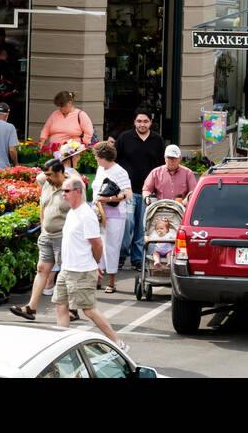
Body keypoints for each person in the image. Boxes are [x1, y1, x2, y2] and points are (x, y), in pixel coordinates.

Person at [53, 174, 126, 350]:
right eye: (62, 190)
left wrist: (95, 264)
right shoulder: (72, 212)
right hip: (67, 269)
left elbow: (97, 244)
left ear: (78, 192)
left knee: (88, 310)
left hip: (81, 271)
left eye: (66, 191)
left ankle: (117, 342)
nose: (63, 194)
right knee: (60, 305)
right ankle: (61, 347)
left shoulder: (86, 215)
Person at [11, 159, 71, 321]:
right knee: (41, 269)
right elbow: (43, 207)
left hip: (63, 236)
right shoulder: (46, 185)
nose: (47, 178)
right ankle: (31, 308)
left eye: (50, 174)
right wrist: (43, 227)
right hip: (47, 235)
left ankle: (72, 308)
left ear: (60, 173)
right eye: (45, 174)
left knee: (66, 272)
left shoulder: (70, 187)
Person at [112, 109, 165, 269]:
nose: (142, 124)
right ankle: (121, 256)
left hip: (147, 192)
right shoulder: (125, 138)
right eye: (139, 121)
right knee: (127, 223)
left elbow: (161, 166)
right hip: (127, 190)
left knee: (142, 227)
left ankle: (136, 259)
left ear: (150, 123)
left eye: (145, 121)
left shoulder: (157, 140)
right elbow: (114, 161)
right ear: (134, 122)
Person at [90, 142, 132, 294]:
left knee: (112, 247)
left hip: (114, 214)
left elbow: (128, 194)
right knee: (98, 245)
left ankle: (112, 281)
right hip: (98, 212)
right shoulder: (100, 169)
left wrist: (108, 199)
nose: (95, 159)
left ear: (103, 157)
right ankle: (98, 278)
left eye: (97, 157)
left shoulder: (120, 171)